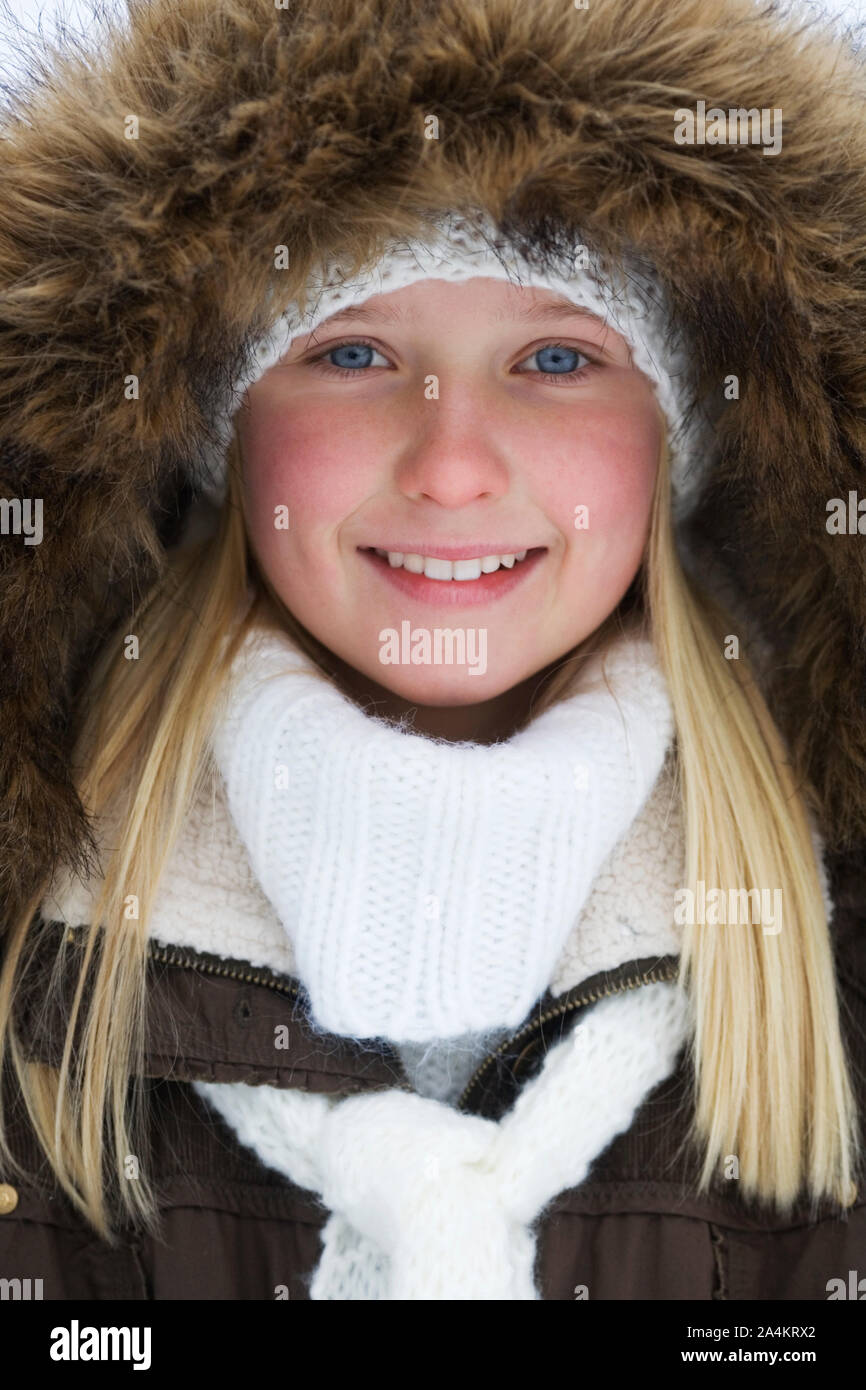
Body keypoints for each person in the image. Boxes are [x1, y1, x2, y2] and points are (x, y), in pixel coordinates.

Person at [0, 0, 864, 1301]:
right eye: (351, 353)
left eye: (556, 358)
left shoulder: (832, 953)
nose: (451, 467)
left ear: (671, 442)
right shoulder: (30, 955)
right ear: (217, 438)